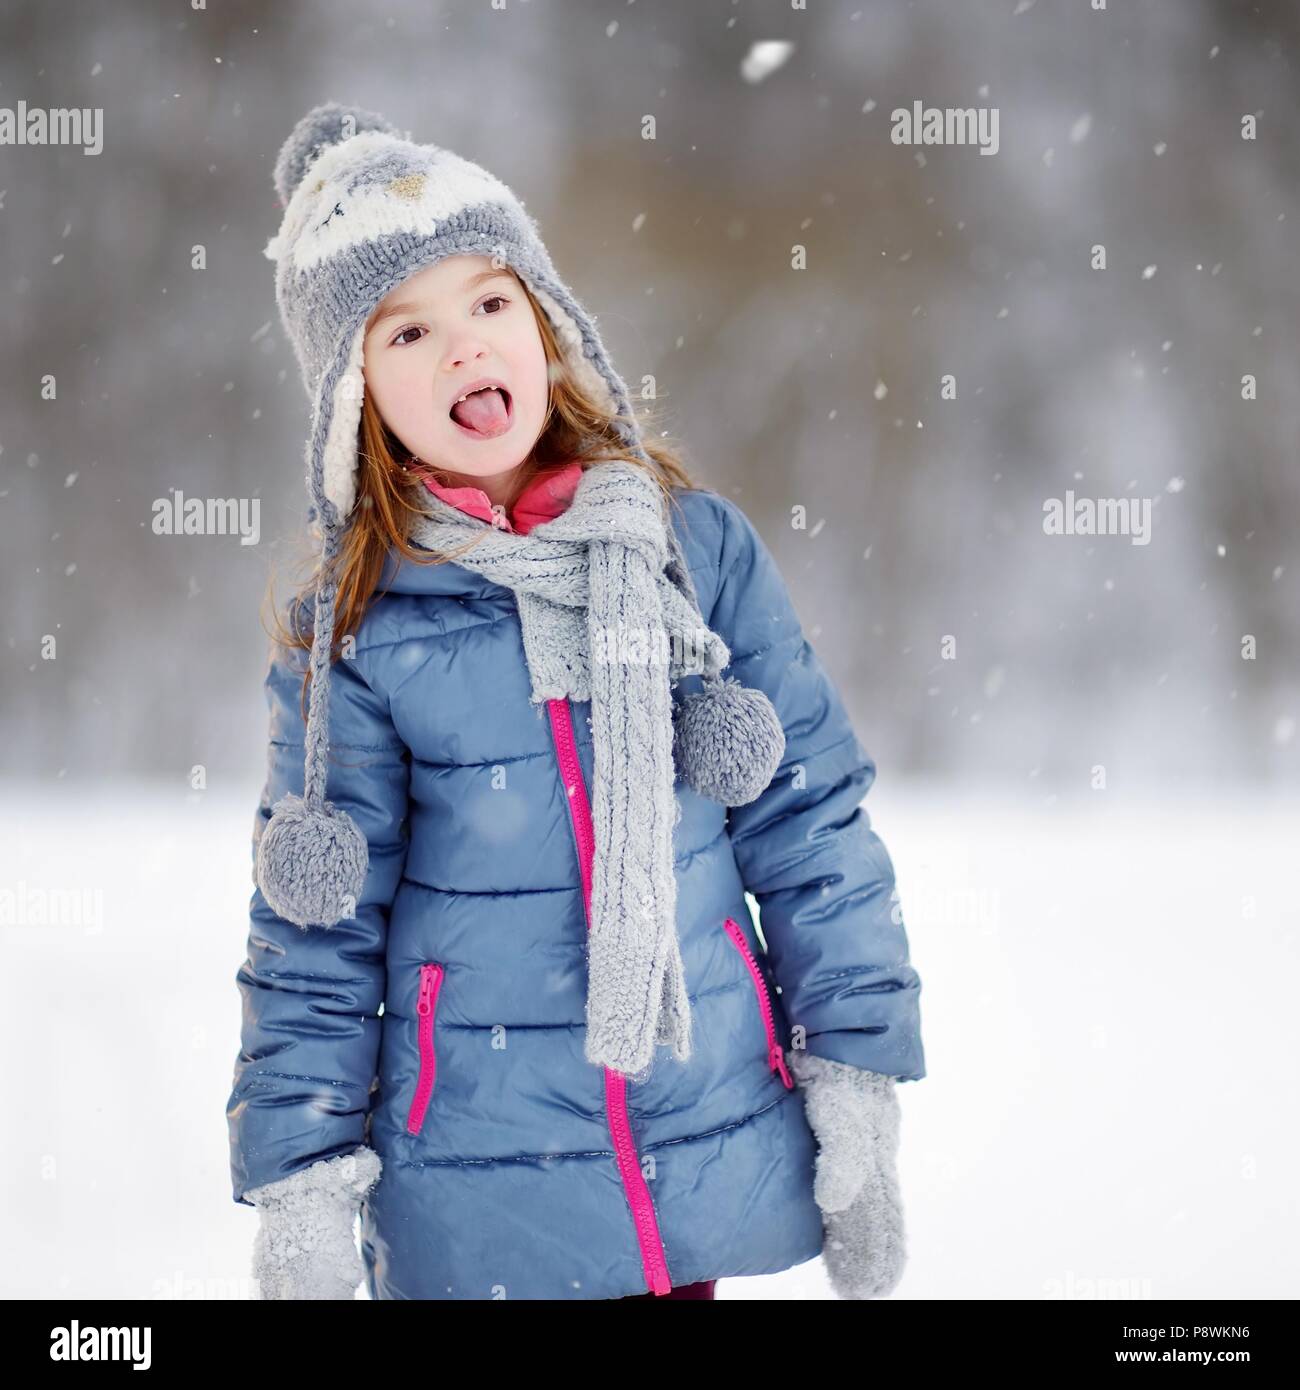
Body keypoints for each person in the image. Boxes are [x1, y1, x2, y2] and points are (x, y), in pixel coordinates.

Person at [226, 102, 926, 1303]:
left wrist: (855, 1068)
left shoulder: (688, 552)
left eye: (491, 303)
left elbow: (810, 823)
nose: (465, 348)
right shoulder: (358, 637)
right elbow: (316, 933)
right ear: (354, 400)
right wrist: (298, 1178)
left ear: (549, 326)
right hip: (479, 1193)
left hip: (693, 1141)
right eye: (408, 332)